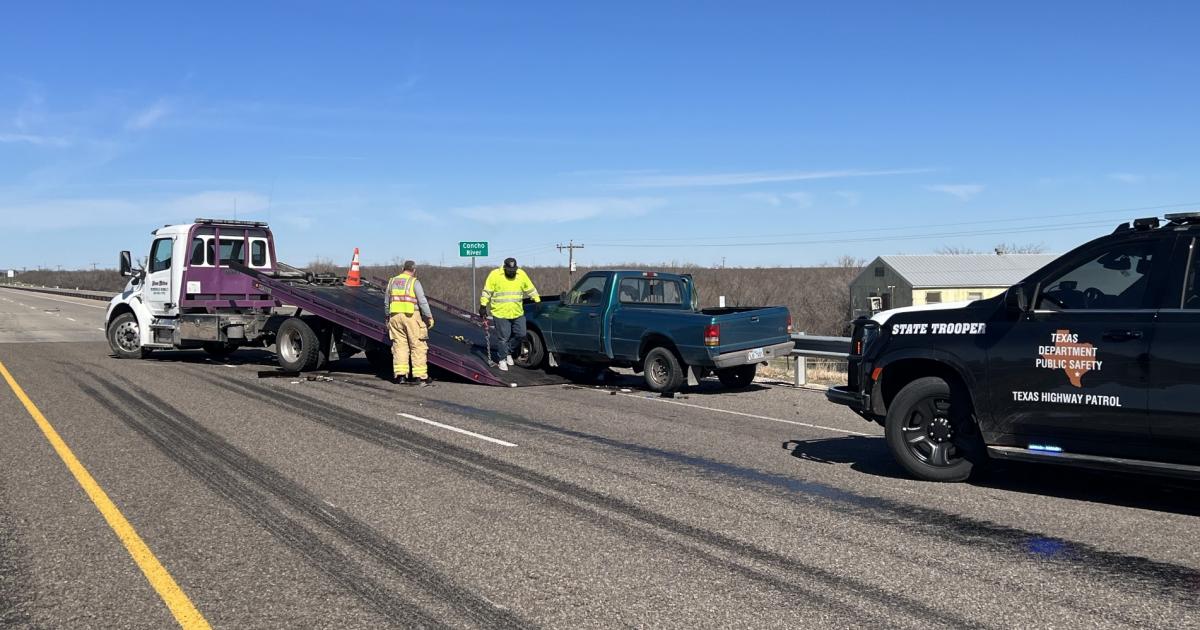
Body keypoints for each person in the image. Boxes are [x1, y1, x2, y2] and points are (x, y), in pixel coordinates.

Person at [479, 257, 540, 371]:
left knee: (521, 334)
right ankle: (502, 359)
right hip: (500, 312)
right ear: (505, 268)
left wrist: (536, 299)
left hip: (517, 312)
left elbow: (530, 288)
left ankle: (508, 352)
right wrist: (483, 306)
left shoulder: (521, 274)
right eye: (509, 270)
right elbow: (487, 291)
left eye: (513, 270)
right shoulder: (495, 275)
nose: (512, 272)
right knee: (504, 338)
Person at [385, 260, 435, 386]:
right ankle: (420, 377)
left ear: (403, 268)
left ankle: (401, 376)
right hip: (411, 317)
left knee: (400, 346)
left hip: (395, 317)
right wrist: (428, 316)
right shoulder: (414, 282)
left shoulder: (392, 281)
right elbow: (422, 301)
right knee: (417, 346)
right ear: (414, 270)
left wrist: (387, 317)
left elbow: (387, 301)